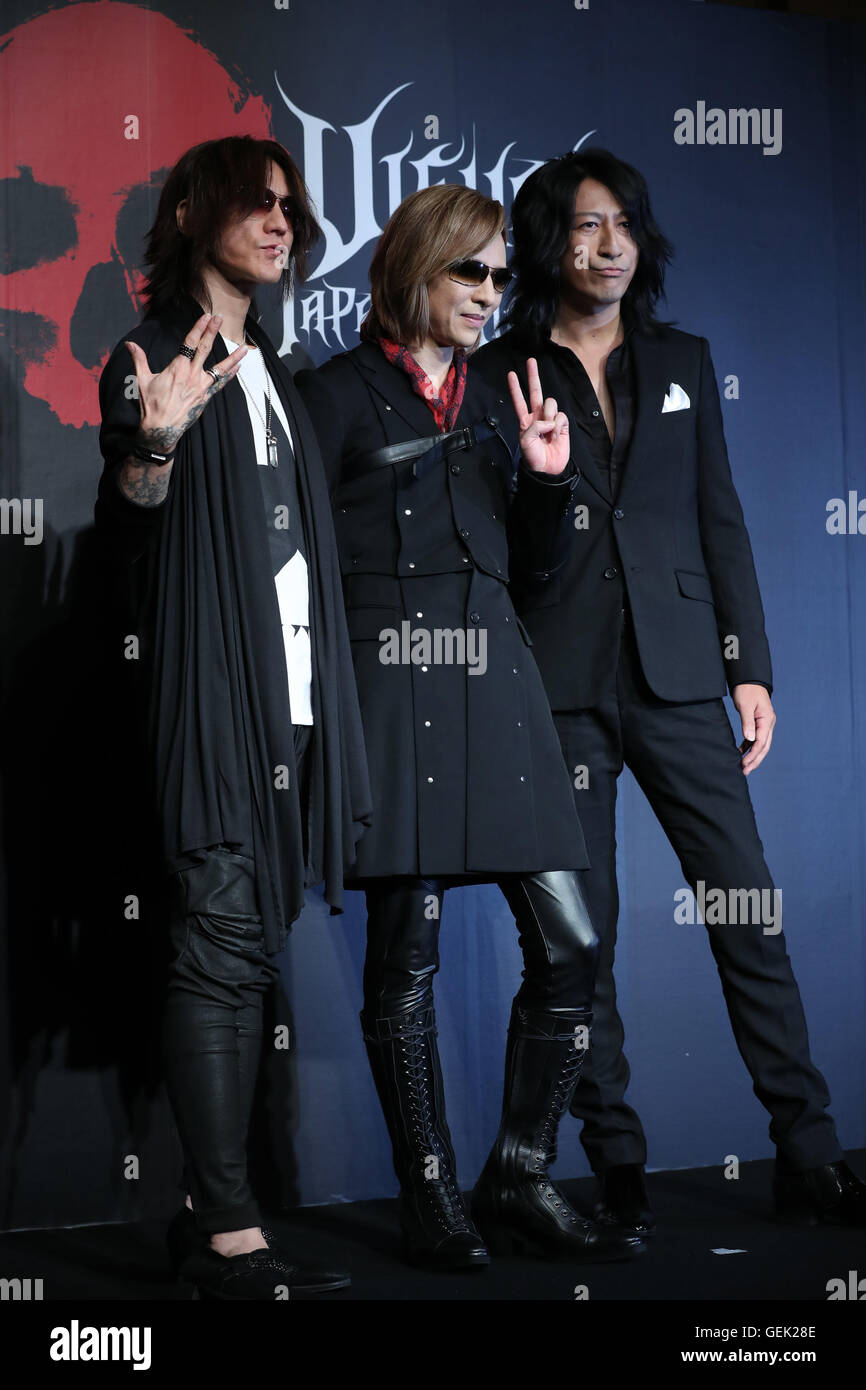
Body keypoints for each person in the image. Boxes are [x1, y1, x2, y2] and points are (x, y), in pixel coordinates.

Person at [474, 148, 866, 1238]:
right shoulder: (499, 368)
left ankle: (807, 1148)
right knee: (577, 940)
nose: (607, 245)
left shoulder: (682, 356)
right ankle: (616, 1163)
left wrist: (747, 666)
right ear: (547, 240)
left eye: (625, 226)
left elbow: (717, 519)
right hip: (555, 682)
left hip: (683, 674)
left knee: (746, 911)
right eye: (585, 225)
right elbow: (497, 533)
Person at [295, 184, 645, 1269]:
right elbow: (290, 563)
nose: (491, 294)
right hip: (389, 688)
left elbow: (531, 571)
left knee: (573, 941)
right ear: (415, 268)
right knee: (406, 956)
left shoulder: (503, 396)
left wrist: (544, 484)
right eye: (470, 273)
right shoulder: (332, 396)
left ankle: (518, 1172)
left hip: (497, 687)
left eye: (498, 275)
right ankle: (431, 1191)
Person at [95, 135, 372, 1298]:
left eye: (291, 205)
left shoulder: (280, 372)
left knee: (247, 949)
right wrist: (154, 443)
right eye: (255, 200)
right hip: (209, 701)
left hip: (291, 707)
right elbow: (133, 511)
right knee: (218, 949)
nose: (279, 219)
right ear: (191, 209)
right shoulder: (152, 352)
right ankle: (225, 1230)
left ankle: (209, 1213)